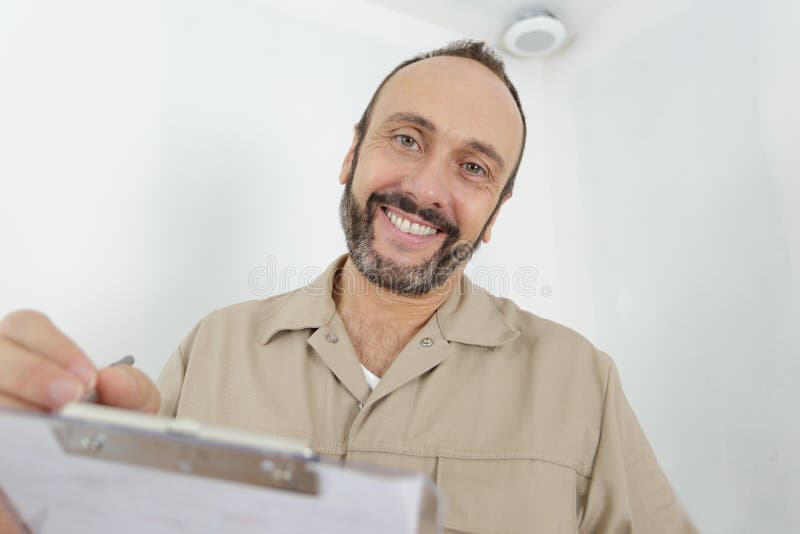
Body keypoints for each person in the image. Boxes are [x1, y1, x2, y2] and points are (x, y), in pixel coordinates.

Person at [0, 41, 696, 532]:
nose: (426, 189)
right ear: (351, 152)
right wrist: (48, 487)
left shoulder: (581, 381)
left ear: (495, 216)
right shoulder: (212, 347)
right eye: (407, 139)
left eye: (474, 168)